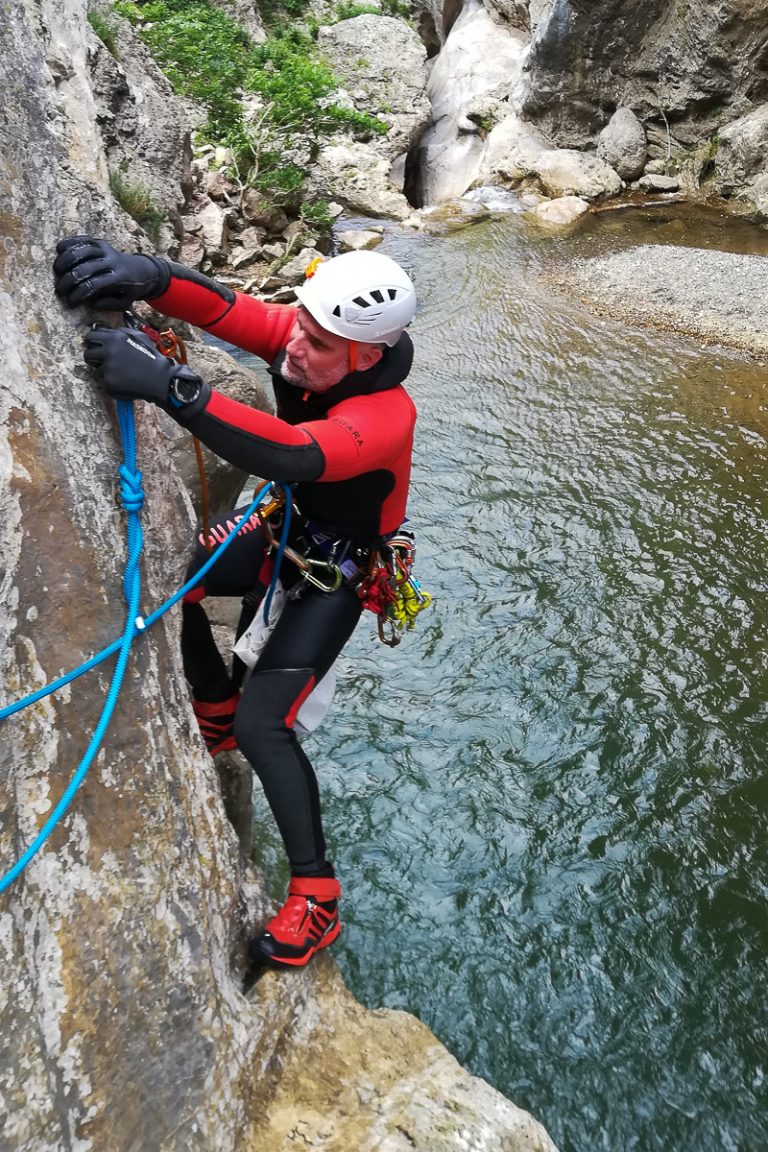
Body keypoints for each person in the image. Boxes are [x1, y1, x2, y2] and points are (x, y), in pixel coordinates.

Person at [53, 235, 418, 969]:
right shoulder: (317, 340)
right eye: (303, 328)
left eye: (316, 342)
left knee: (267, 726)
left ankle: (317, 896)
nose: (295, 347)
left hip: (335, 574)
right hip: (286, 525)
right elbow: (232, 310)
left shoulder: (387, 415)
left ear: (366, 357)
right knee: (170, 571)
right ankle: (212, 704)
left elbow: (294, 454)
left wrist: (171, 386)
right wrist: (148, 276)